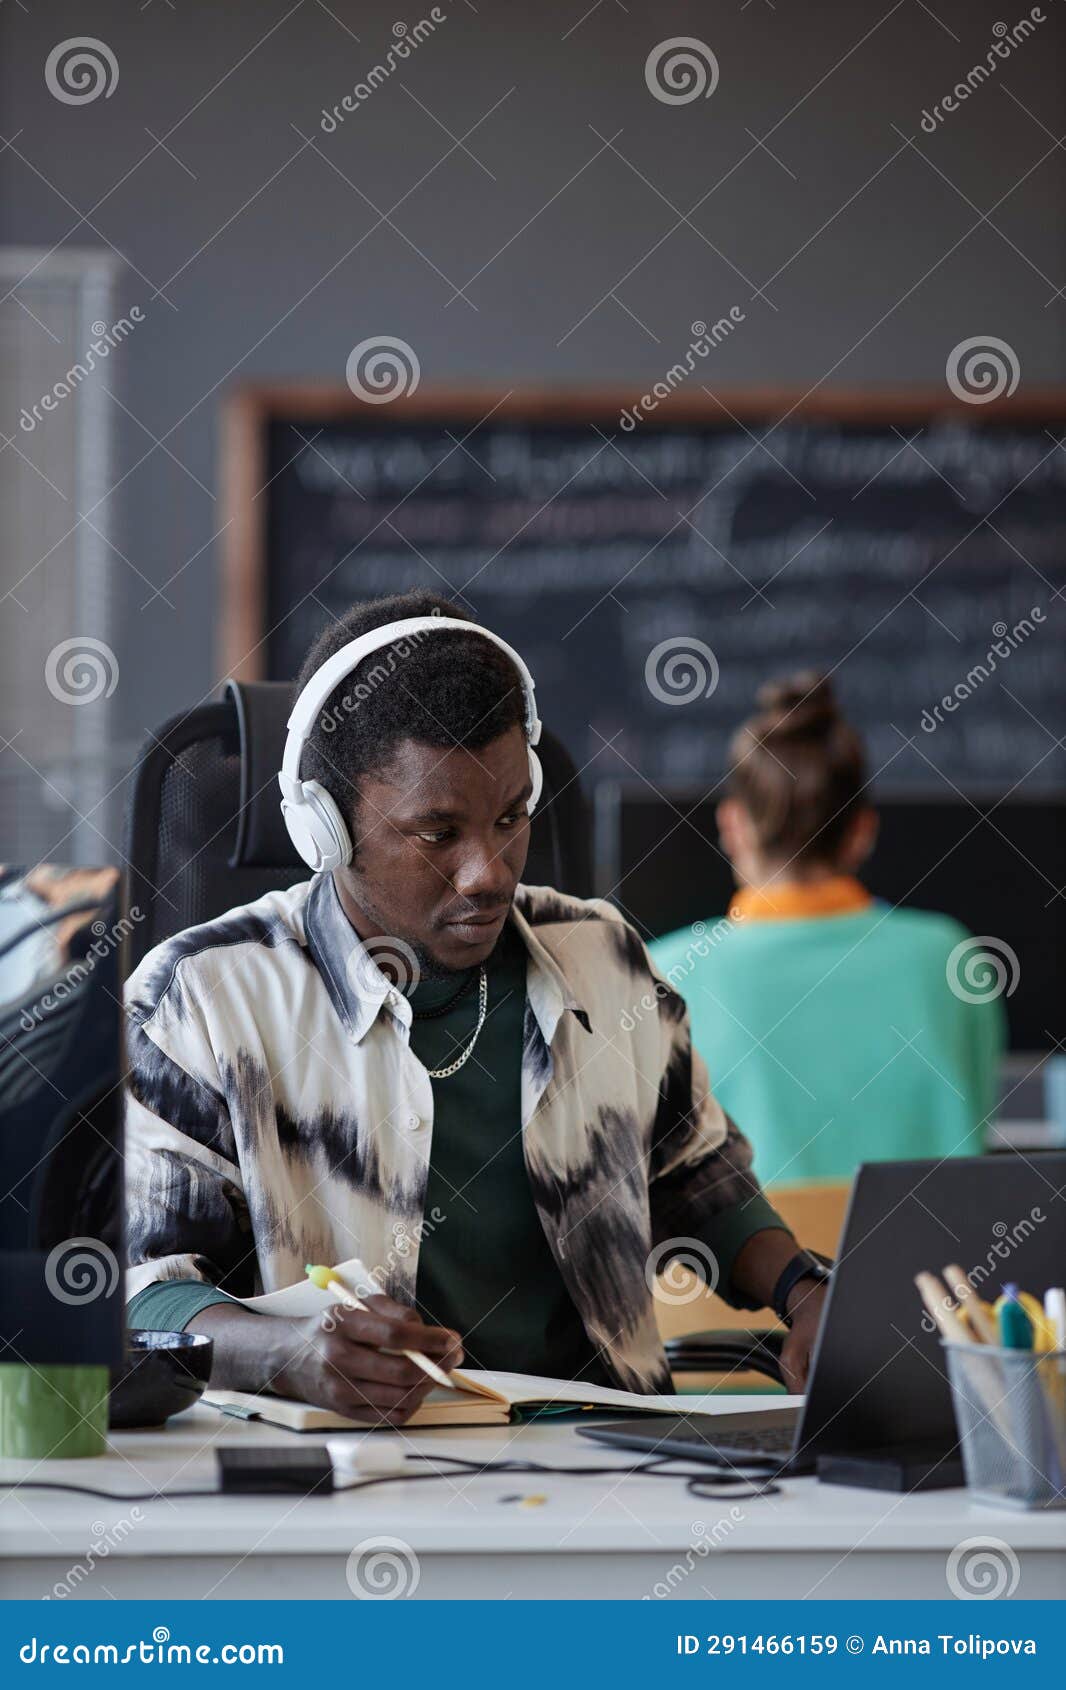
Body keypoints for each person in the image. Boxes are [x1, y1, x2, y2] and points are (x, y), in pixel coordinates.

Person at [124, 593, 830, 1426]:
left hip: (609, 1459)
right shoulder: (202, 1001)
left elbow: (697, 1180)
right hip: (351, 1473)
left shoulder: (603, 960)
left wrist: (807, 1291)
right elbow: (149, 1293)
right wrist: (284, 1353)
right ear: (328, 827)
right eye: (437, 832)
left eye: (509, 817)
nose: (487, 872)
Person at [650, 673, 1005, 1187]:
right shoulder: (952, 958)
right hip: (930, 1266)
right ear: (862, 832)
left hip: (740, 1270)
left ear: (733, 826)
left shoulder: (660, 974)